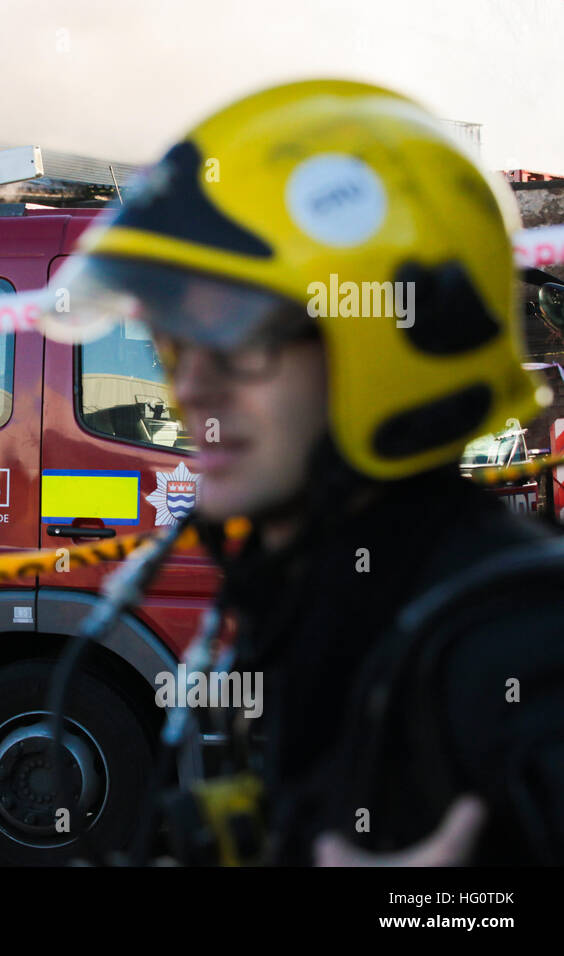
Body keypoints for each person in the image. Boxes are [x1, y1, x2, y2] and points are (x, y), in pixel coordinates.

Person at [46, 79, 564, 865]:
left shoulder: (517, 653)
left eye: (237, 334)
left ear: (388, 339)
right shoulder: (319, 597)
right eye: (174, 341)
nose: (190, 387)